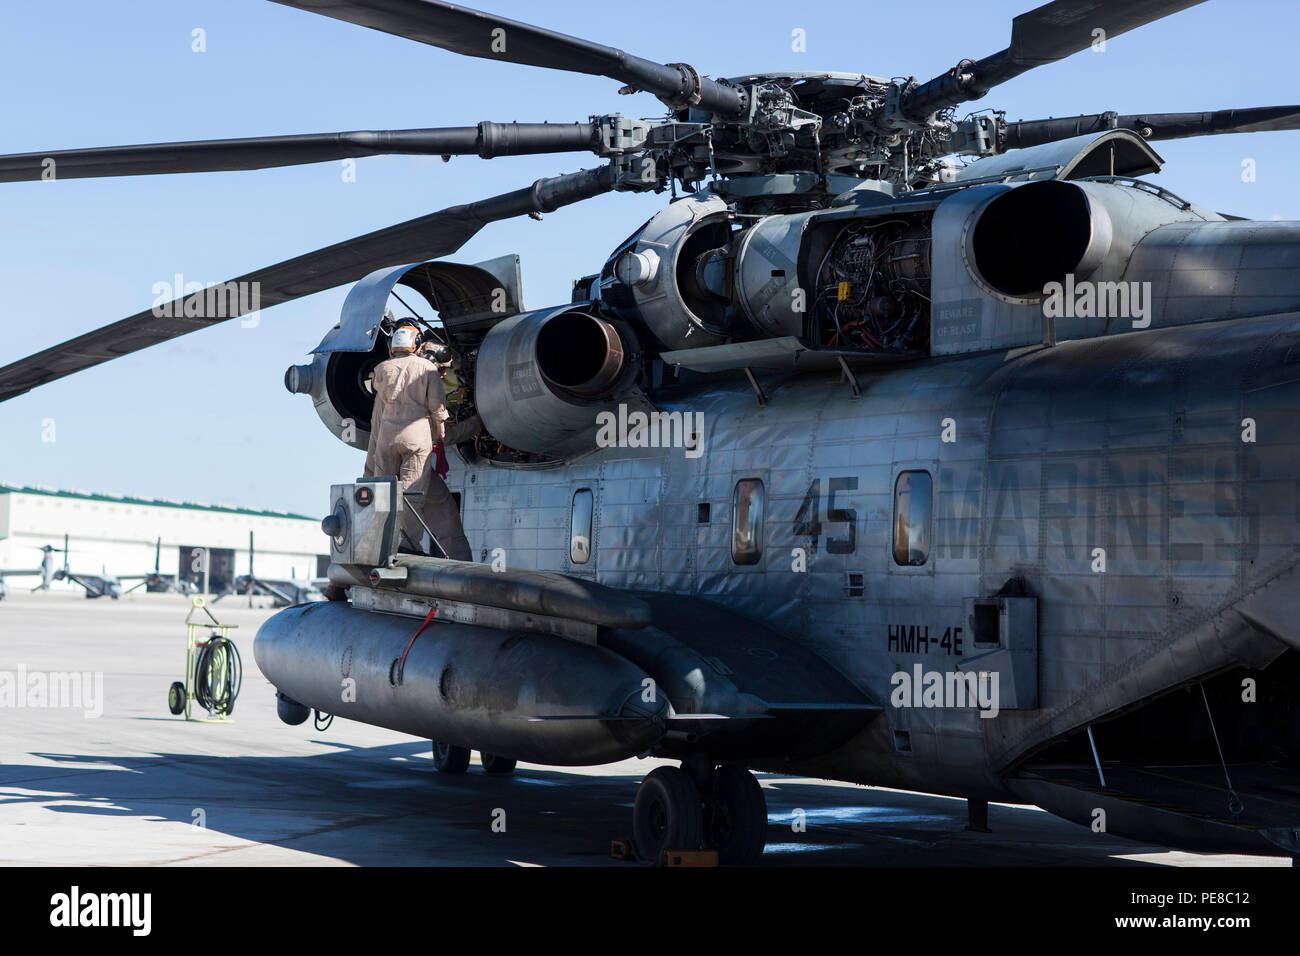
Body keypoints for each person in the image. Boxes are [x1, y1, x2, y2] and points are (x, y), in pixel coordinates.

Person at [363, 319, 473, 561]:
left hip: (384, 456)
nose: (444, 376)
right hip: (410, 454)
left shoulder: (386, 385)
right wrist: (478, 423)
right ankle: (414, 548)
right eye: (442, 371)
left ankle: (348, 573)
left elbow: (377, 432)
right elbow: (444, 434)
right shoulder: (425, 375)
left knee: (430, 505)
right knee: (417, 498)